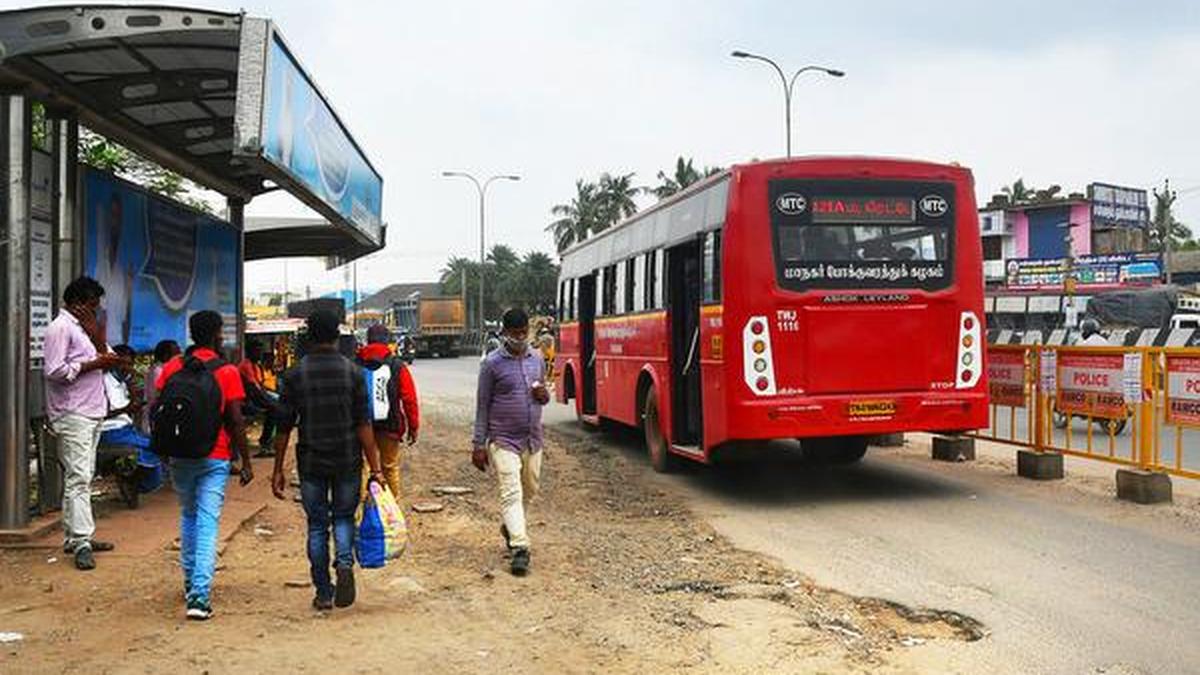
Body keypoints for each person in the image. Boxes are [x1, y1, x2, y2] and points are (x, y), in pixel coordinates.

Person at [271, 310, 384, 612]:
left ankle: (323, 591)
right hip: (347, 459)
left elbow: (283, 427)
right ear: (337, 335)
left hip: (311, 462)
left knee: (317, 525)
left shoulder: (294, 375)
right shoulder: (353, 372)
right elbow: (364, 424)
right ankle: (344, 562)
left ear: (308, 337)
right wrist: (376, 468)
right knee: (344, 518)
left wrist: (277, 469)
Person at [156, 311, 254, 621]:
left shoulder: (173, 366)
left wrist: (162, 449)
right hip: (215, 455)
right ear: (216, 335)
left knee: (188, 514)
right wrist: (246, 460)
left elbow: (160, 408)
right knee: (208, 521)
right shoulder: (226, 371)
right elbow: (236, 420)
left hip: (180, 455)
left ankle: (189, 582)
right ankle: (199, 595)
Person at [43, 277, 125, 571]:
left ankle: (74, 537)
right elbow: (54, 370)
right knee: (79, 476)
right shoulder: (60, 328)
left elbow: (114, 360)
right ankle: (81, 540)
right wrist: (92, 364)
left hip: (91, 411)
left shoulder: (85, 330)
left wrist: (96, 337)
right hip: (71, 411)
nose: (96, 310)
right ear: (77, 304)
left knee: (83, 475)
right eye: (92, 305)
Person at [471, 307, 550, 576]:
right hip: (503, 439)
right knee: (511, 491)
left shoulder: (536, 358)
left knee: (530, 489)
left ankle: (511, 526)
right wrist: (478, 444)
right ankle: (519, 547)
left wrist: (543, 395)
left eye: (524, 332)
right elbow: (482, 406)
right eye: (515, 333)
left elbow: (544, 393)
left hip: (532, 439)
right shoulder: (491, 364)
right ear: (505, 333)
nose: (520, 337)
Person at [356, 324, 420, 499]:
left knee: (364, 468)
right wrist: (413, 427)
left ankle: (362, 512)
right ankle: (392, 514)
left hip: (361, 426)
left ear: (367, 340)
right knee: (389, 467)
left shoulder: (355, 363)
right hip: (389, 426)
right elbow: (409, 399)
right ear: (387, 342)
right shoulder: (397, 365)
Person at [100, 345, 162, 493]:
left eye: (129, 364)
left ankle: (136, 482)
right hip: (110, 430)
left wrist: (132, 385)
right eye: (122, 363)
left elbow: (134, 402)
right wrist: (127, 409)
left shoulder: (122, 382)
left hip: (126, 429)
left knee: (155, 445)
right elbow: (101, 413)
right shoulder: (103, 381)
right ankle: (137, 483)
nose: (126, 368)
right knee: (153, 445)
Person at [239, 340, 278, 456]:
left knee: (276, 407)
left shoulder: (255, 366)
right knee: (274, 410)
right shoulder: (245, 366)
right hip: (244, 402)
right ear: (250, 352)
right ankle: (265, 443)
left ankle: (268, 442)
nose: (258, 354)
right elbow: (254, 391)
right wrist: (271, 403)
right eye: (256, 351)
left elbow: (260, 388)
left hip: (254, 399)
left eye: (259, 351)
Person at [144, 339, 181, 433]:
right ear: (166, 355)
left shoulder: (159, 369)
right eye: (176, 353)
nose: (179, 356)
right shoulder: (159, 371)